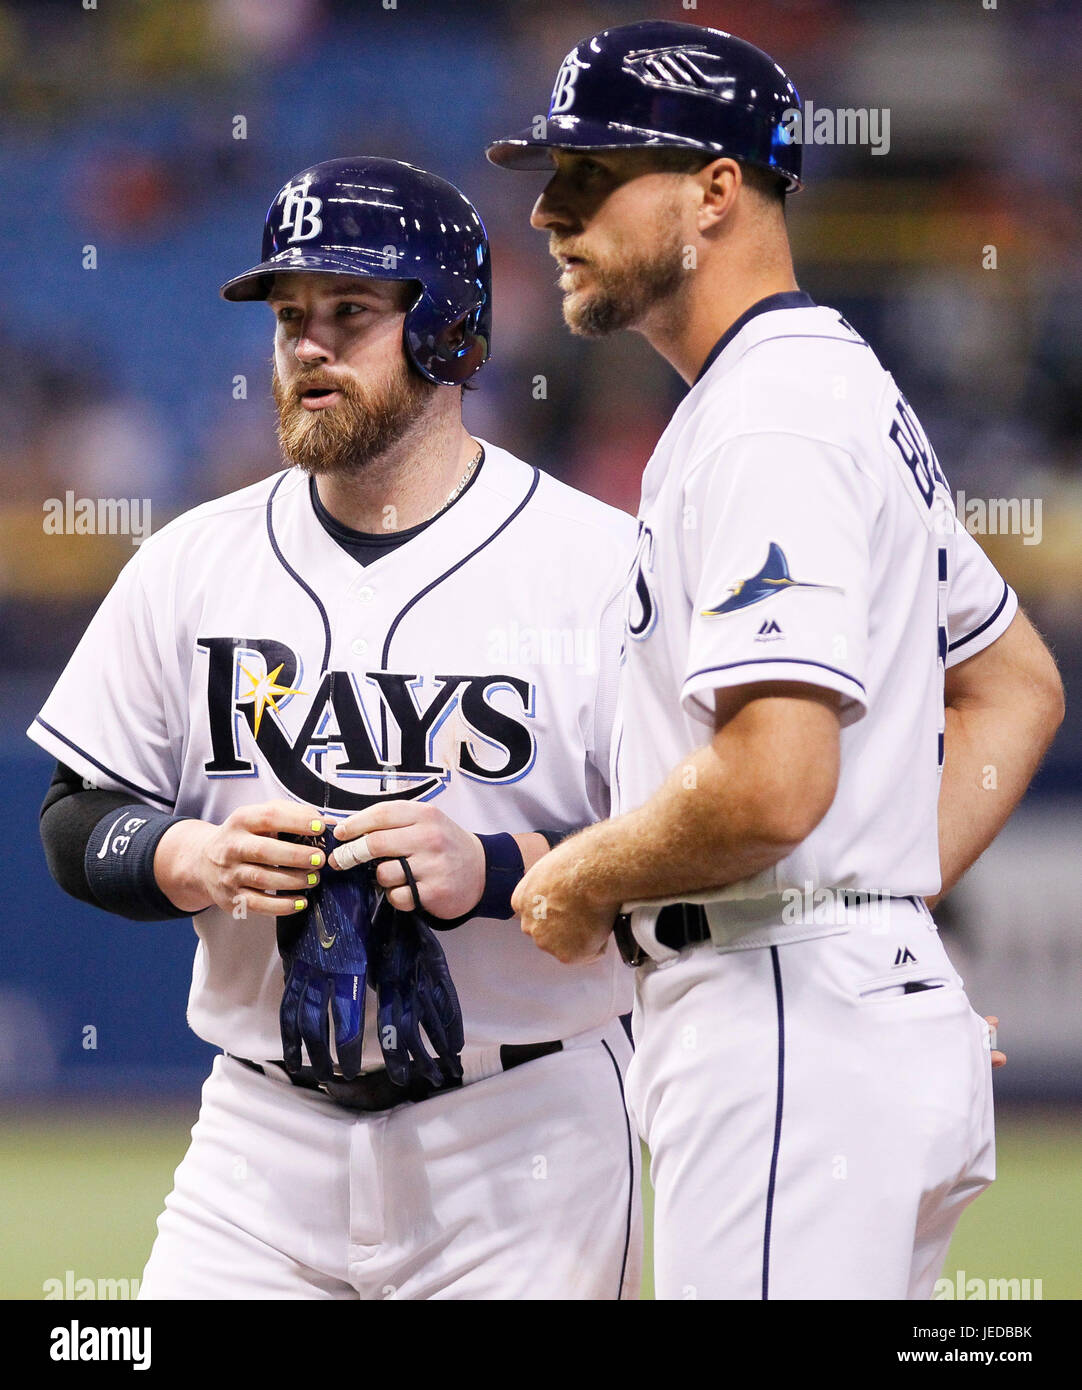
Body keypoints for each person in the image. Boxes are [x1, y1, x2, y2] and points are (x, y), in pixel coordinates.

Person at [488, 22, 1063, 1299]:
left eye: (588, 173)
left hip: (782, 1018)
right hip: (843, 1001)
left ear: (713, 189)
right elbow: (1015, 684)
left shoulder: (765, 418)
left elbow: (769, 782)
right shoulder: (831, 386)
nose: (543, 209)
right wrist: (876, 901)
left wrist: (581, 877)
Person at [30, 157, 641, 1301]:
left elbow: (681, 851)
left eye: (350, 312)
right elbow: (74, 816)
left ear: (450, 329)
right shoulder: (188, 562)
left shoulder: (599, 567)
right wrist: (187, 853)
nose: (306, 346)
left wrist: (500, 866)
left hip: (525, 1128)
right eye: (288, 318)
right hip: (259, 1134)